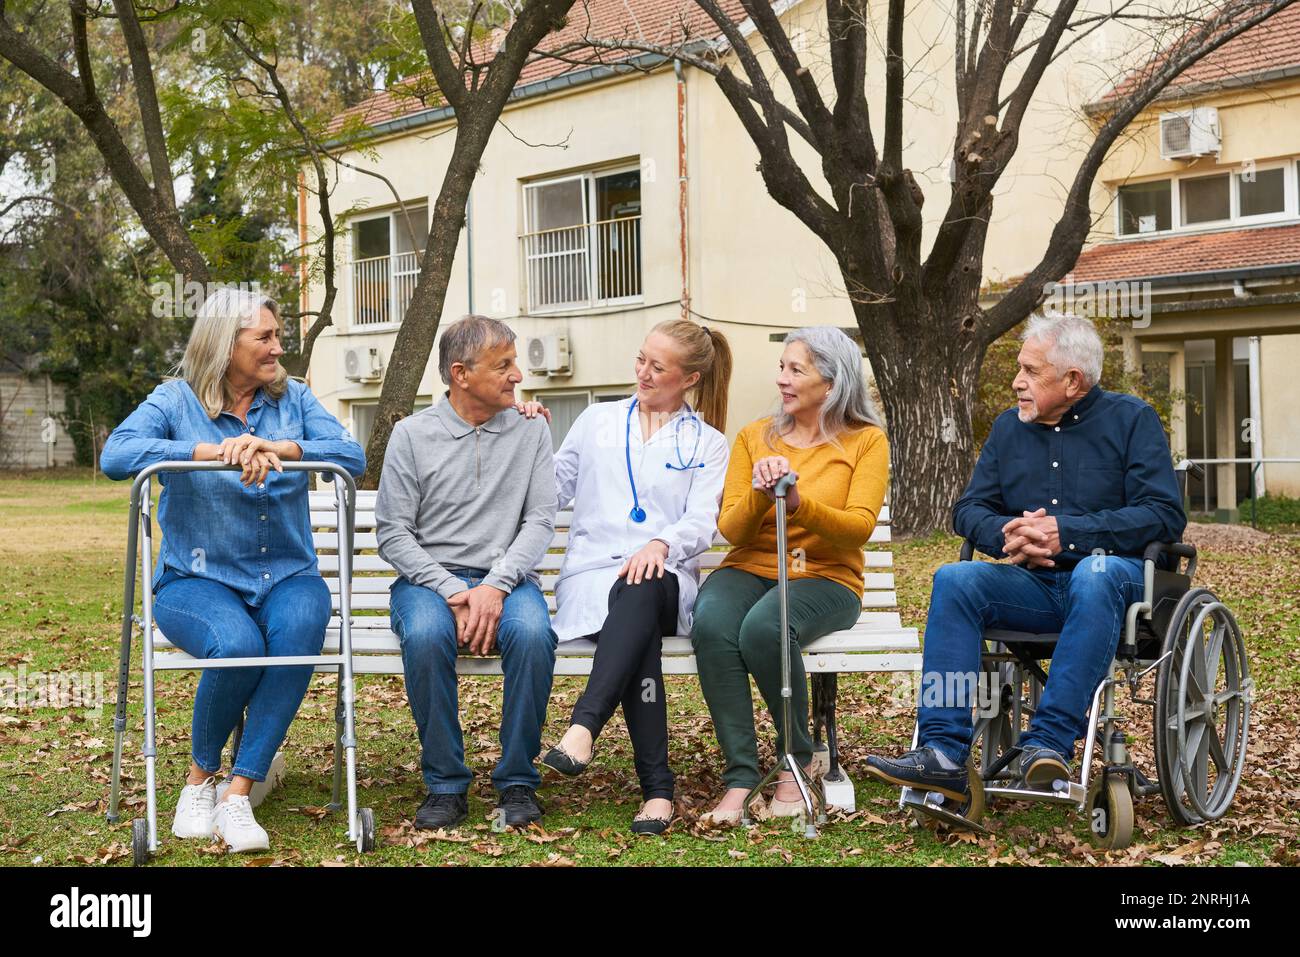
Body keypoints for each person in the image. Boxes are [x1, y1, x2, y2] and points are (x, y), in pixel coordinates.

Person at [865, 313, 1186, 802]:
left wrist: (1068, 535)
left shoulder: (1131, 421)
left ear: (1073, 381)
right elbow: (969, 509)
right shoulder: (1008, 430)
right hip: (1035, 587)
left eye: (1031, 371)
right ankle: (943, 753)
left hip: (1116, 585)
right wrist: (1007, 533)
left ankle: (1048, 743)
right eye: (1020, 369)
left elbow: (1163, 514)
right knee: (955, 578)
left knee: (1095, 573)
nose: (1018, 382)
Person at [100, 288, 366, 853]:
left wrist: (281, 447)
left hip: (287, 576)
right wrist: (208, 451)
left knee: (298, 629)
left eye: (277, 335)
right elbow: (116, 456)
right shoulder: (175, 401)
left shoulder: (293, 398)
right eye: (264, 338)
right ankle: (199, 779)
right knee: (237, 641)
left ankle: (238, 792)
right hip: (195, 582)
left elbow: (351, 455)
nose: (278, 347)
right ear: (224, 347)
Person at [539, 321, 732, 834]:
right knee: (635, 624)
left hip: (666, 577)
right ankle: (658, 793)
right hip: (592, 576)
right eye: (641, 359)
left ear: (689, 378)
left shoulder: (708, 444)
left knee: (643, 584)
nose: (642, 373)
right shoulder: (596, 420)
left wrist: (661, 543)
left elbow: (701, 519)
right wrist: (529, 434)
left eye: (658, 367)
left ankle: (584, 725)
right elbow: (552, 490)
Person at [690, 326, 889, 824]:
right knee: (712, 624)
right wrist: (762, 493)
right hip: (751, 565)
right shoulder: (754, 436)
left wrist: (799, 504)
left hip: (826, 576)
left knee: (764, 628)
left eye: (796, 369)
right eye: (782, 366)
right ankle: (739, 778)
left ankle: (796, 760)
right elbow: (731, 530)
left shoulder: (865, 442)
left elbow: (857, 531)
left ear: (832, 381)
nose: (782, 378)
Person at [375, 315, 558, 831]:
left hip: (507, 578)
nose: (516, 375)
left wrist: (496, 585)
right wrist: (456, 591)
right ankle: (446, 784)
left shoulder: (530, 429)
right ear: (460, 373)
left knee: (532, 632)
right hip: (430, 581)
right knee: (428, 633)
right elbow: (393, 533)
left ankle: (518, 779)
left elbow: (540, 518)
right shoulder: (412, 435)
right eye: (503, 366)